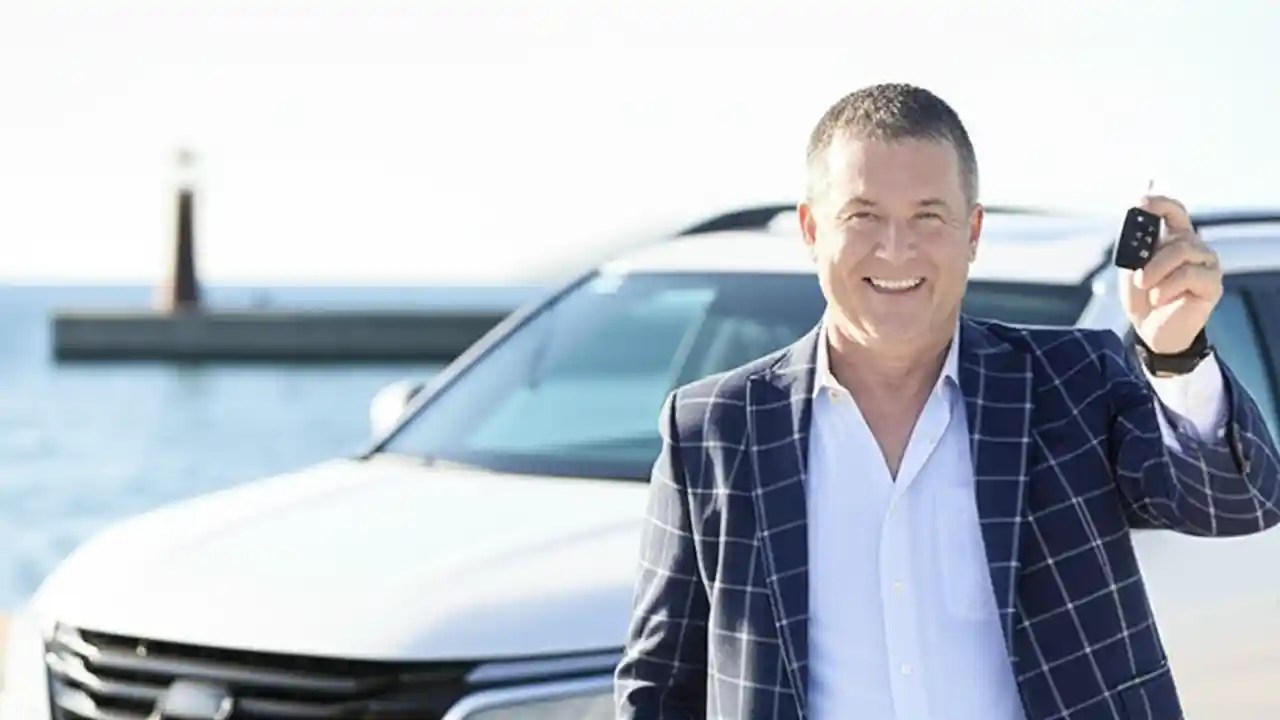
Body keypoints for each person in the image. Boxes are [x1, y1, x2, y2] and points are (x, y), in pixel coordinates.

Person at [613, 83, 1280, 720]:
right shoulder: (713, 431)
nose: (895, 249)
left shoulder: (1073, 383)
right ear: (812, 229)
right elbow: (661, 684)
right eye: (863, 215)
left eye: (927, 217)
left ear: (973, 231)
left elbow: (1236, 502)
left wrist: (1174, 354)